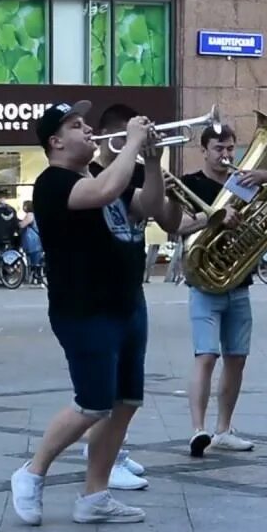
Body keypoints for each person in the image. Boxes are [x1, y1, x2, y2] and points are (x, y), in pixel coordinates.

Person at [10, 100, 178, 526]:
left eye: (87, 124)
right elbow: (101, 194)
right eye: (76, 126)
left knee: (124, 403)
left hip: (127, 303)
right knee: (92, 404)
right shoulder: (52, 182)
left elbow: (152, 208)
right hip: (83, 308)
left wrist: (153, 161)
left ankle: (95, 495)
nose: (87, 130)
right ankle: (31, 473)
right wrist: (132, 143)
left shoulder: (110, 176)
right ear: (55, 141)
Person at [73, 102, 182, 491]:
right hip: (98, 297)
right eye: (129, 135)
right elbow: (107, 193)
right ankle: (90, 462)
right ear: (115, 137)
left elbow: (165, 218)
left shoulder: (135, 171)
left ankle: (112, 454)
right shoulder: (92, 176)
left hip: (130, 292)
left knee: (127, 394)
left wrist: (156, 167)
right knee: (101, 395)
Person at [179, 122, 267, 457]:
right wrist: (213, 218)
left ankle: (224, 429)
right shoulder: (192, 185)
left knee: (236, 359)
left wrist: (264, 175)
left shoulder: (242, 182)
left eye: (231, 148)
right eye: (219, 149)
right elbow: (178, 226)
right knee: (205, 357)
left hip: (238, 283)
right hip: (204, 284)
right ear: (203, 151)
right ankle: (198, 430)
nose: (226, 155)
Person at [18, 201, 44, 286]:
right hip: (37, 240)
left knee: (33, 260)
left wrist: (17, 223)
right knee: (36, 260)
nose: (23, 207)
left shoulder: (30, 215)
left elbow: (22, 225)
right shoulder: (37, 214)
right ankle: (36, 278)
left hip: (32, 240)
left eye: (24, 205)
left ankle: (35, 278)